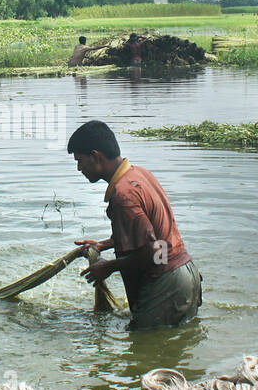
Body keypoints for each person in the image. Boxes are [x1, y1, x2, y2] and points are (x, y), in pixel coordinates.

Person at [67, 119, 202, 330]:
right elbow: (153, 236)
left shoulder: (124, 195)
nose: (78, 168)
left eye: (80, 161)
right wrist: (104, 245)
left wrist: (108, 267)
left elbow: (155, 253)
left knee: (148, 354)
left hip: (167, 283)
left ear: (96, 157)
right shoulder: (138, 174)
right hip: (186, 275)